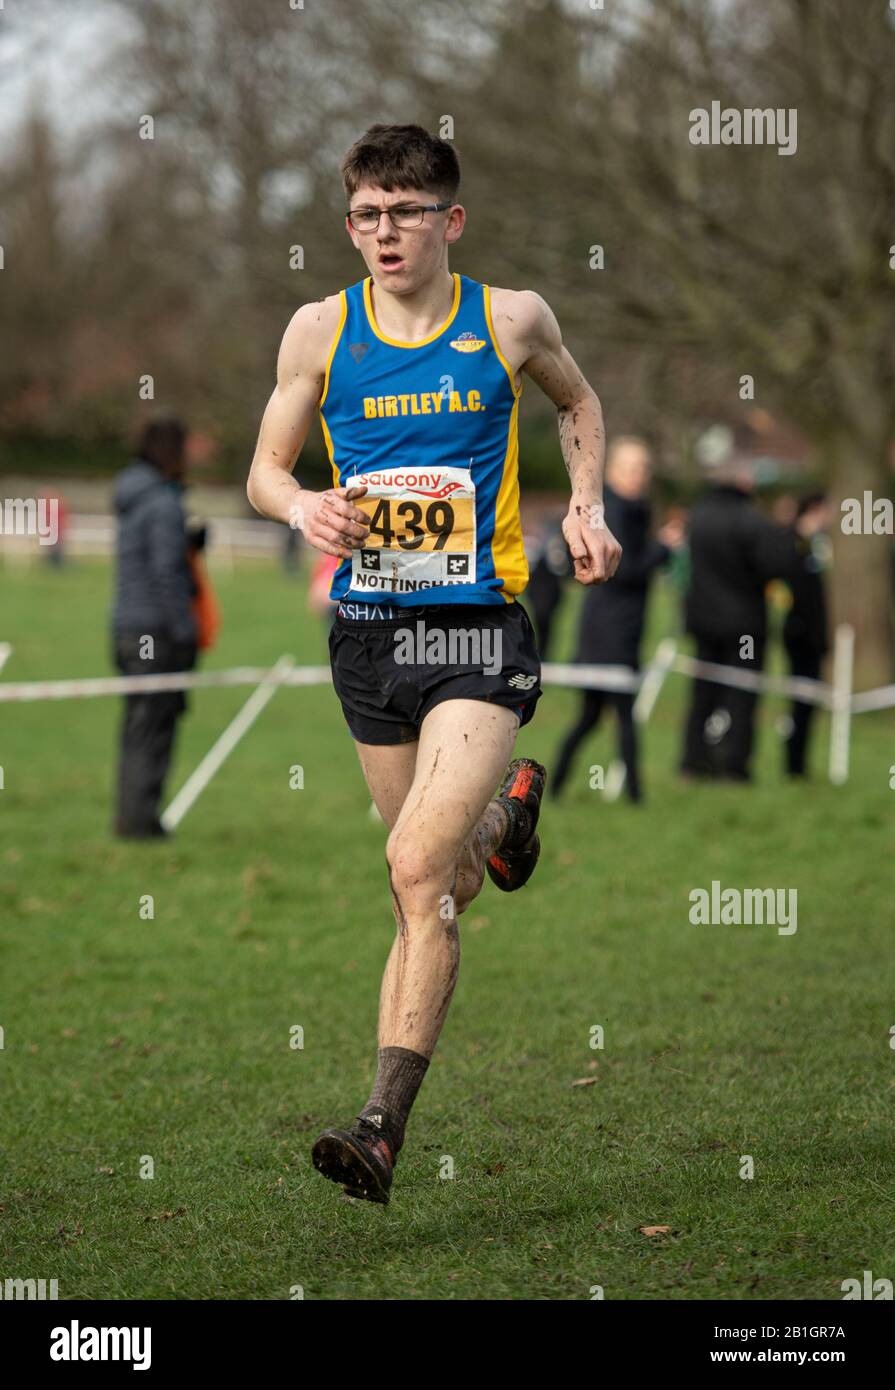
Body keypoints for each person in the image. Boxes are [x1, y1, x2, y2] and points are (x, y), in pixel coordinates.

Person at [246, 123, 621, 1204]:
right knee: (450, 873)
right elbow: (267, 470)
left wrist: (585, 505)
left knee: (412, 871)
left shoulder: (509, 319)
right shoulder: (318, 331)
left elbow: (578, 403)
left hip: (475, 631)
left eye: (405, 213)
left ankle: (378, 1126)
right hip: (367, 638)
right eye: (365, 214)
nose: (383, 233)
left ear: (448, 220)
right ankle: (505, 820)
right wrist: (304, 501)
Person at [552, 437, 678, 802]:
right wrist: (664, 550)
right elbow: (622, 570)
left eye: (643, 469)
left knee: (593, 718)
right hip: (608, 631)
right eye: (630, 468)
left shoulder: (634, 510)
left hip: (620, 627)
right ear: (613, 472)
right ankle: (635, 797)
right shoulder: (613, 513)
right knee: (621, 715)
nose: (638, 476)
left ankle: (555, 787)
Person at [111, 417, 198, 838]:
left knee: (137, 725)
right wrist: (186, 633)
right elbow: (166, 575)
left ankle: (133, 815)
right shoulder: (163, 504)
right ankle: (140, 822)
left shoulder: (134, 498)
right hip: (156, 630)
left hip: (125, 626)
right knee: (153, 727)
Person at [680, 460, 794, 781]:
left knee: (703, 691)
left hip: (703, 622)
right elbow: (774, 566)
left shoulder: (698, 517)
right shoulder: (751, 520)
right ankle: (734, 763)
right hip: (744, 628)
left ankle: (693, 759)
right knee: (741, 693)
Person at [782, 492, 830, 776]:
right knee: (800, 701)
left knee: (808, 704)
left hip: (812, 637)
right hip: (800, 637)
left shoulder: (813, 546)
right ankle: (794, 765)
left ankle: (799, 765)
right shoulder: (794, 544)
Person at [525, 512, 575, 659]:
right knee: (540, 626)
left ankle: (543, 655)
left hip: (546, 594)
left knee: (544, 627)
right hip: (542, 594)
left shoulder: (555, 549)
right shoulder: (545, 549)